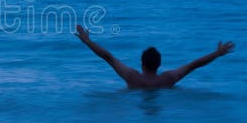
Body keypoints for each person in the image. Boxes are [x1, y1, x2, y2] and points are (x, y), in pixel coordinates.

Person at [75, 24, 235, 89]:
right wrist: (217, 53)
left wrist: (88, 42)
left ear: (141, 63)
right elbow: (194, 64)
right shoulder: (168, 79)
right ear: (159, 64)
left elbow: (107, 57)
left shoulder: (132, 78)